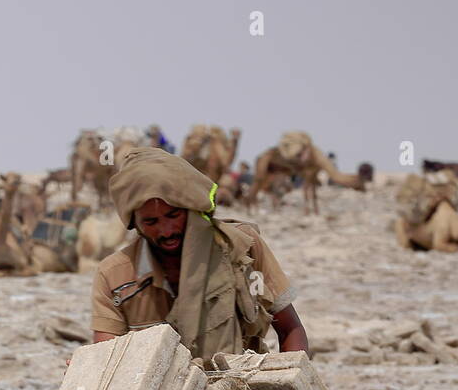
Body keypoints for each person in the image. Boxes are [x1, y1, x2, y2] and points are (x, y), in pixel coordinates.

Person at [90, 147, 307, 362]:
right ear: (135, 224)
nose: (166, 231)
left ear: (190, 209)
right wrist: (91, 368)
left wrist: (291, 383)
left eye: (173, 215)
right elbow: (107, 358)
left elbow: (289, 330)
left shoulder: (241, 248)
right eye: (151, 222)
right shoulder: (115, 276)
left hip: (241, 388)